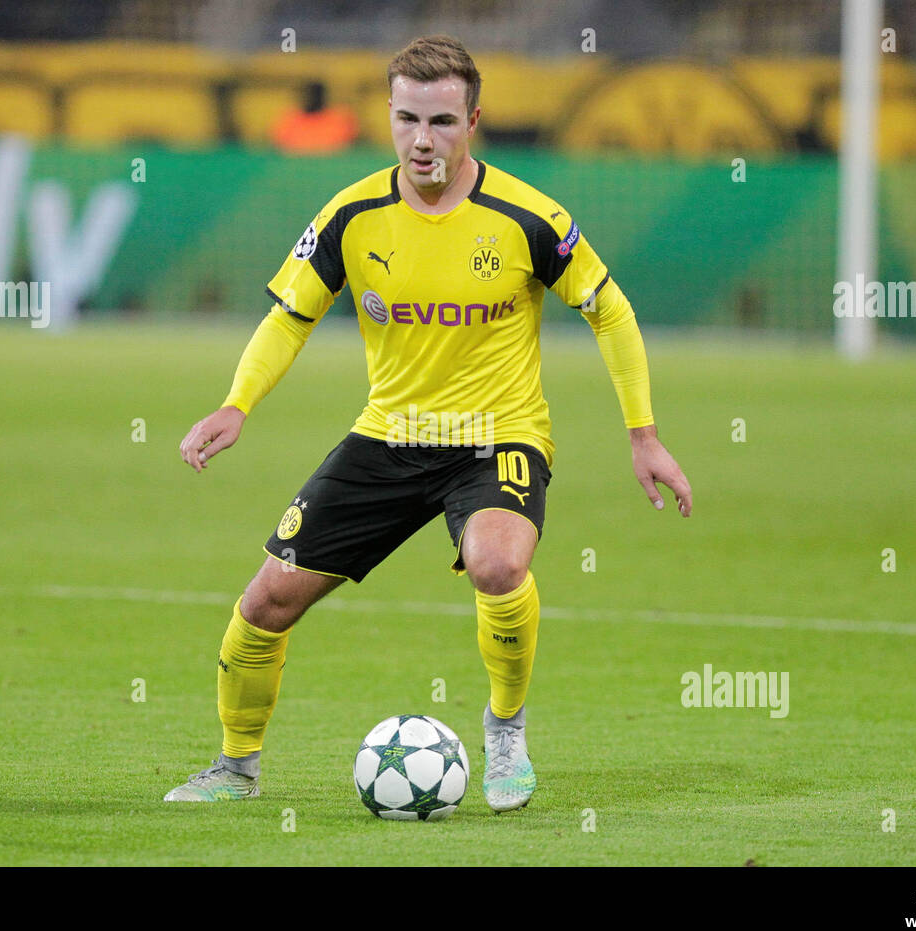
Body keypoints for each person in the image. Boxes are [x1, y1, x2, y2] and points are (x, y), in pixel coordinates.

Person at [166, 34, 692, 812]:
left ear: (473, 119)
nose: (422, 140)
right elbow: (290, 317)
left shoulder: (526, 218)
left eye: (441, 121)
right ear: (388, 114)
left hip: (497, 436)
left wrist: (642, 436)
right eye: (407, 118)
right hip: (389, 435)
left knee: (497, 565)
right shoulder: (353, 216)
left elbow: (608, 310)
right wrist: (237, 403)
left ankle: (506, 728)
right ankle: (234, 768)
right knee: (264, 604)